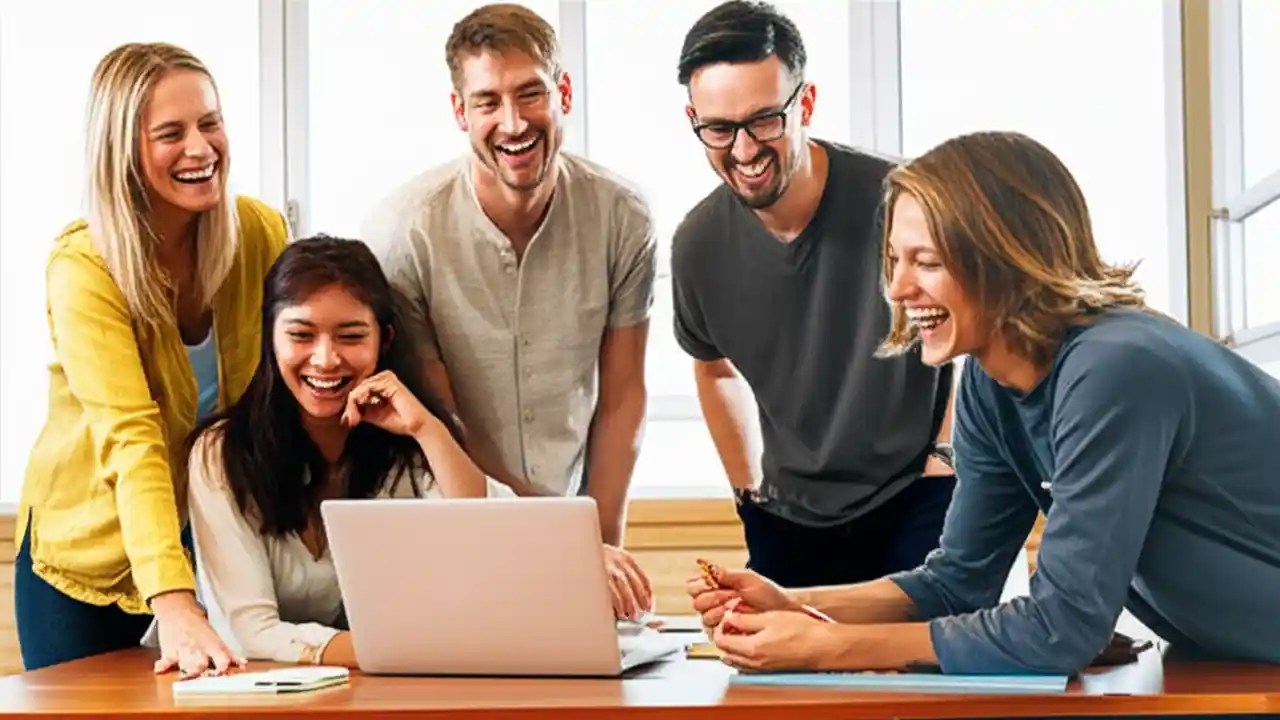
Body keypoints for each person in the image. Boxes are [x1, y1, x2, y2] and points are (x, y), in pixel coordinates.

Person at [687, 130, 1280, 675]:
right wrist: (796, 605)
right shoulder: (989, 385)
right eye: (894, 260)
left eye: (928, 261)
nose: (896, 289)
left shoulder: (1116, 366)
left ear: (1007, 258)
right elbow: (957, 583)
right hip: (1232, 660)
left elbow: (1061, 630)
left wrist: (827, 648)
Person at [364, 3, 657, 619]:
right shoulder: (402, 232)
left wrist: (598, 546)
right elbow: (443, 417)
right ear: (458, 112)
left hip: (573, 516)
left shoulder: (623, 217)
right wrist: (556, 542)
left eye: (530, 94)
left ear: (564, 93)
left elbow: (623, 396)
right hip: (449, 525)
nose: (513, 122)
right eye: (487, 101)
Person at [15, 42, 289, 674]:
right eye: (171, 133)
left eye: (210, 123)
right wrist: (173, 601)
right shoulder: (85, 266)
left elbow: (292, 381)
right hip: (89, 557)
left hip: (210, 539)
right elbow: (131, 436)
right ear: (124, 152)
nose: (201, 148)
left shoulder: (258, 234)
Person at [671, 0, 954, 588]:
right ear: (693, 120)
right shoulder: (696, 246)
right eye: (719, 129)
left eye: (765, 120)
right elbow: (713, 369)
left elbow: (972, 339)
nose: (744, 150)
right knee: (779, 670)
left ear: (806, 102)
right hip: (787, 513)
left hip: (916, 493)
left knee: (916, 665)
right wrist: (748, 490)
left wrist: (945, 464)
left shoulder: (907, 200)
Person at [186, 237, 513, 666]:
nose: (325, 360)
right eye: (301, 335)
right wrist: (416, 651)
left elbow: (490, 541)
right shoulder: (220, 454)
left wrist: (427, 430)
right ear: (270, 339)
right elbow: (249, 635)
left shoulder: (409, 443)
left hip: (369, 689)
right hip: (245, 692)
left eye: (351, 336)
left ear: (385, 339)